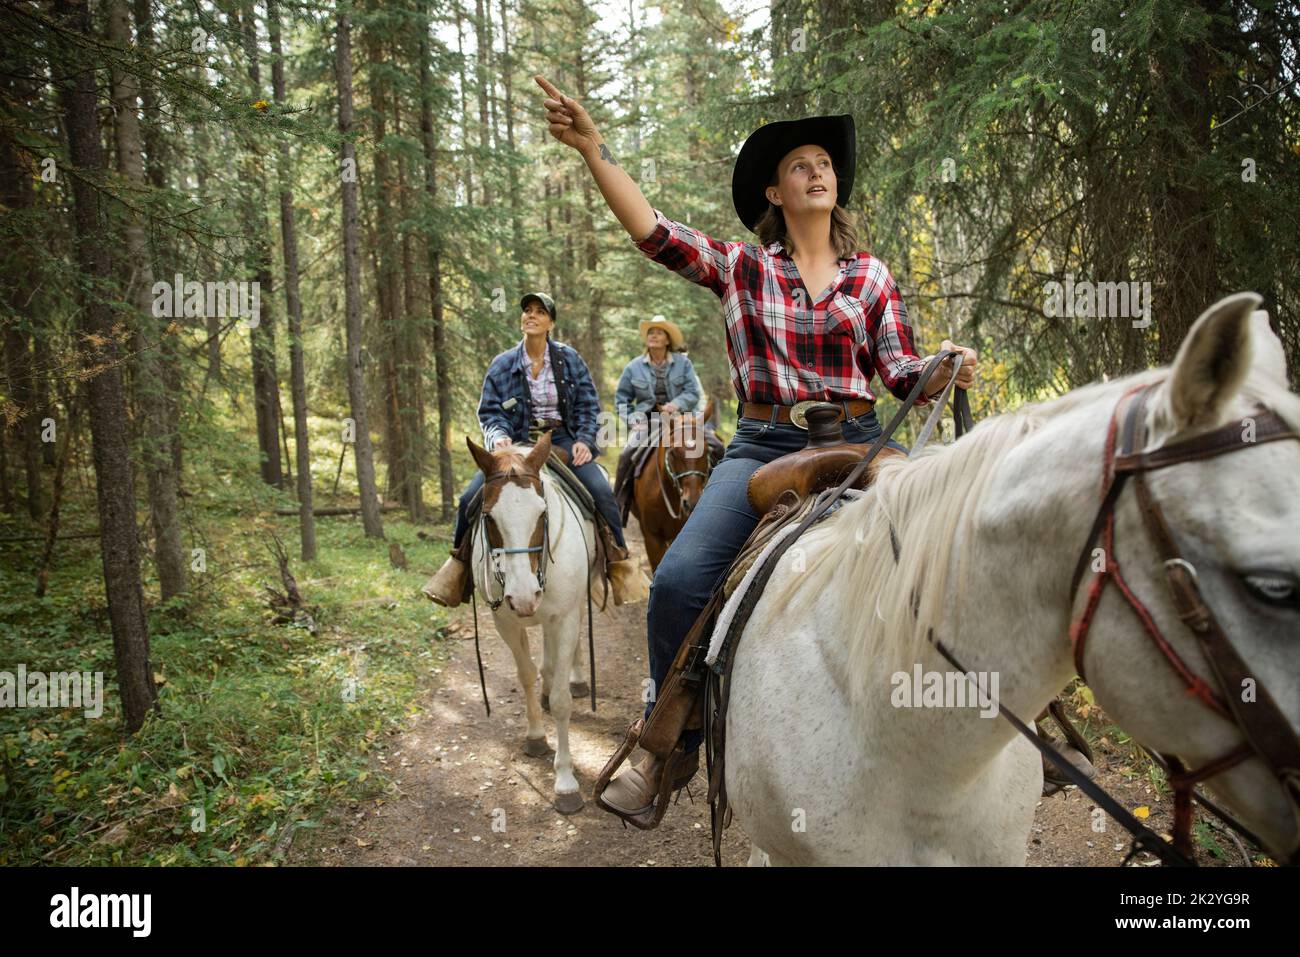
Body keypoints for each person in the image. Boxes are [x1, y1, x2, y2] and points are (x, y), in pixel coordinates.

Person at [535, 75, 979, 816]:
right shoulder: (743, 266)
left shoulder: (871, 277)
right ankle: (670, 747)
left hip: (863, 439)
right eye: (801, 165)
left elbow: (900, 370)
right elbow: (653, 231)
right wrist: (592, 148)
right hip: (764, 442)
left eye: (826, 165)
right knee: (677, 584)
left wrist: (943, 366)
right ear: (774, 192)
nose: (817, 173)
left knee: (952, 542)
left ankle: (1004, 723)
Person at [422, 291, 649, 607]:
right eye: (527, 311)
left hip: (563, 443)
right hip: (517, 446)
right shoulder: (502, 365)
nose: (530, 315)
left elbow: (588, 405)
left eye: (539, 312)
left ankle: (619, 564)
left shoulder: (570, 360)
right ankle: (458, 570)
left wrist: (585, 440)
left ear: (550, 323)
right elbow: (491, 411)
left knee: (601, 491)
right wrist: (498, 436)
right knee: (468, 498)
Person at [611, 316, 724, 517]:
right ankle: (618, 505)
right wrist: (632, 420)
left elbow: (693, 392)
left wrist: (676, 405)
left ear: (667, 340)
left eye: (659, 333)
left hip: (684, 419)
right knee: (626, 454)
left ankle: (720, 497)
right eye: (651, 333)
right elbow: (621, 400)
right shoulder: (633, 367)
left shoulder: (683, 364)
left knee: (717, 446)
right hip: (649, 421)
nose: (653, 336)